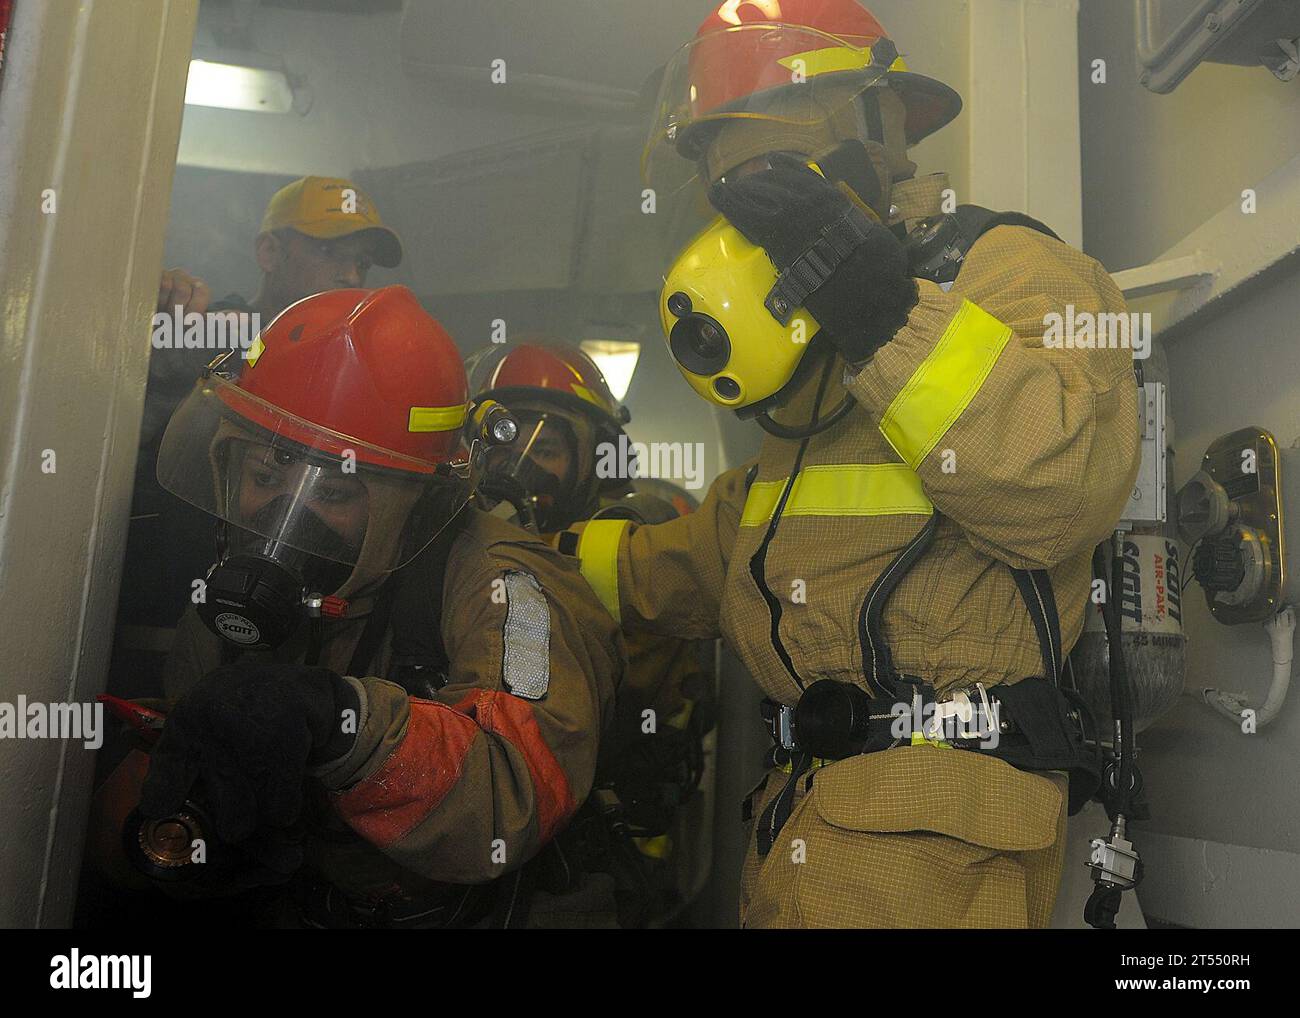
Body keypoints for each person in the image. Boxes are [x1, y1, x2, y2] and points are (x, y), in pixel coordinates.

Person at [576, 0, 1142, 928]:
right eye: (721, 161)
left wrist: (883, 308)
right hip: (805, 816)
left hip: (938, 841)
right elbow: (744, 544)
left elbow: (1064, 488)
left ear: (874, 129)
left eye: (757, 154)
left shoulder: (1004, 266)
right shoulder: (804, 350)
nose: (736, 183)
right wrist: (560, 555)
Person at [91, 285, 622, 929]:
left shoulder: (510, 582)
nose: (284, 517)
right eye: (266, 475)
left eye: (335, 491)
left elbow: (512, 790)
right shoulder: (240, 595)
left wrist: (340, 722)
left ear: (415, 504)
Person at [119, 177, 404, 687]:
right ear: (270, 251)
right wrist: (139, 314)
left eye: (360, 261)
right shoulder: (200, 336)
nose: (349, 272)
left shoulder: (359, 374)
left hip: (295, 647)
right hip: (154, 635)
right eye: (328, 249)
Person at [468, 339, 717, 923]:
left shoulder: (638, 535)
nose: (516, 466)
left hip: (607, 858)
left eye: (546, 445)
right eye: (499, 442)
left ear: (597, 460)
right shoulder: (449, 547)